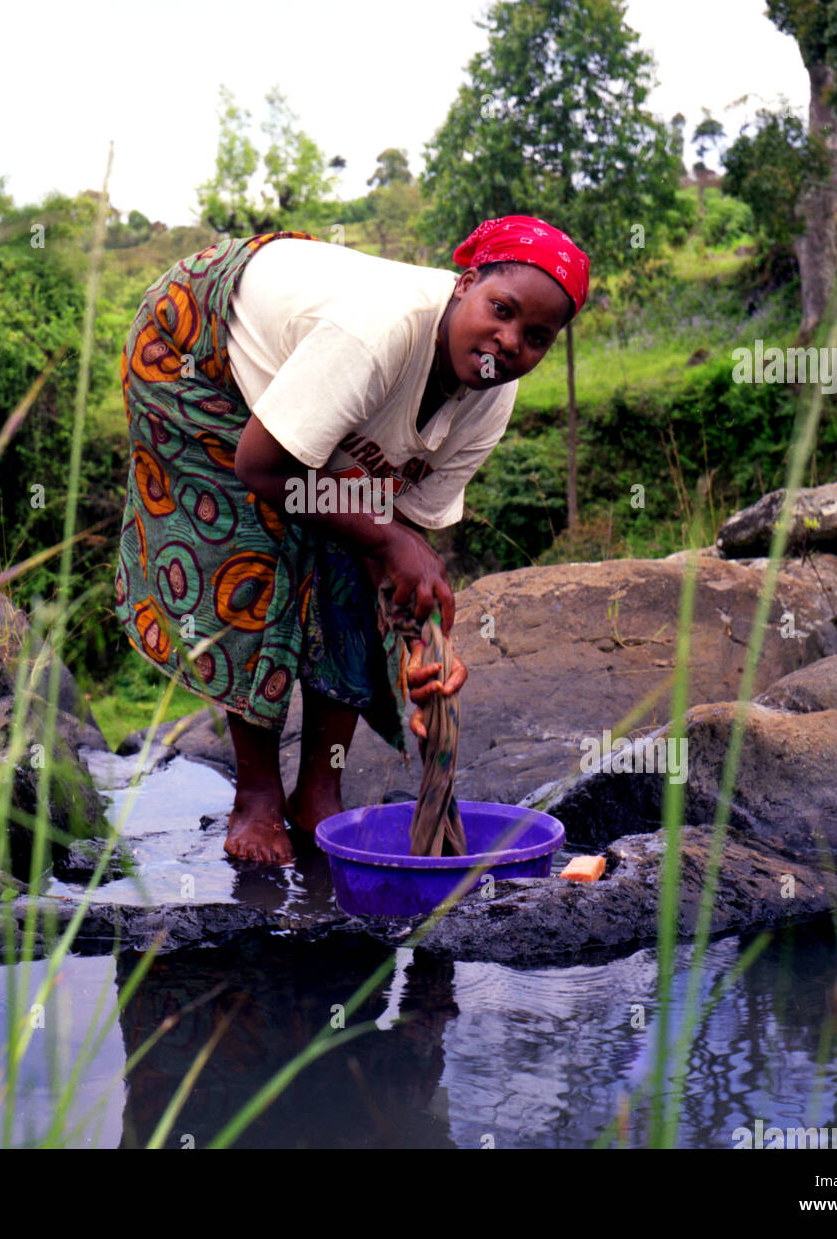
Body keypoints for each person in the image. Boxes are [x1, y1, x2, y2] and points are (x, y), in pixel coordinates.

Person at [113, 215, 589, 864]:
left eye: (535, 338)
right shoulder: (380, 332)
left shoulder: (489, 399)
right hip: (198, 349)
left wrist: (422, 648)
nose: (508, 343)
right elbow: (262, 467)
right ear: (465, 283)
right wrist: (392, 546)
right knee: (253, 548)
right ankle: (256, 798)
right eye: (500, 311)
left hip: (308, 369)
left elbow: (395, 532)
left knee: (351, 550)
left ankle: (317, 794)